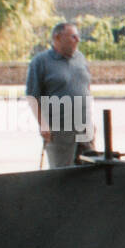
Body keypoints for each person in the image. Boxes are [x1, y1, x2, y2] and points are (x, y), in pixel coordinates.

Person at [24, 21, 96, 168]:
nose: (78, 40)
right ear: (57, 37)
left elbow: (86, 87)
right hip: (59, 130)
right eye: (73, 37)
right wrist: (43, 124)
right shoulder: (40, 62)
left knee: (90, 172)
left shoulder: (80, 58)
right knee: (62, 173)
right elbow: (32, 96)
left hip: (84, 127)